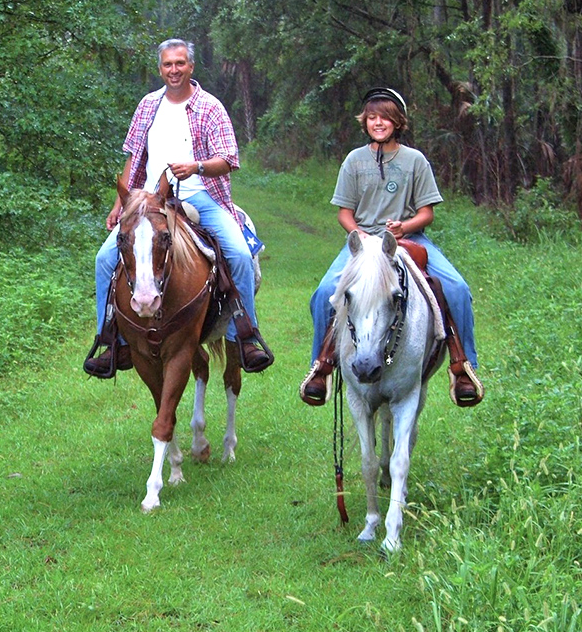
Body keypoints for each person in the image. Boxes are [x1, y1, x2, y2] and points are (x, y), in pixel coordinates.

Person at [84, 38, 273, 376]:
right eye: (168, 64)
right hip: (148, 201)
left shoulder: (210, 106)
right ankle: (111, 341)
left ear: (191, 67)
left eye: (180, 63)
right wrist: (119, 204)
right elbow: (133, 158)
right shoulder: (147, 105)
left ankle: (244, 336)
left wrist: (196, 166)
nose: (174, 70)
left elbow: (228, 160)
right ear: (160, 68)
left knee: (241, 256)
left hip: (202, 195)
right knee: (103, 260)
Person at [299, 86, 483, 407]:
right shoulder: (354, 161)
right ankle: (323, 365)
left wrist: (404, 227)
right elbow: (344, 212)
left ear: (398, 122)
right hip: (363, 243)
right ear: (365, 122)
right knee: (324, 293)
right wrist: (361, 235)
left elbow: (427, 212)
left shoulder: (415, 161)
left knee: (457, 288)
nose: (378, 123)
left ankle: (462, 365)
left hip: (410, 240)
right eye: (372, 118)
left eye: (385, 117)